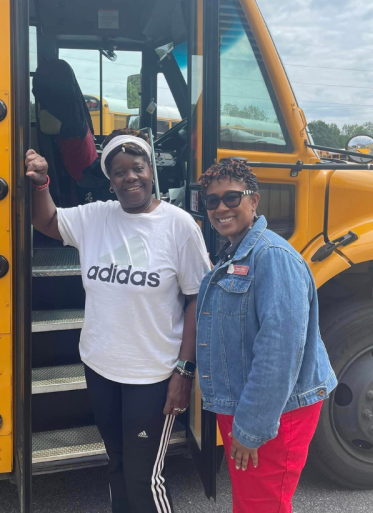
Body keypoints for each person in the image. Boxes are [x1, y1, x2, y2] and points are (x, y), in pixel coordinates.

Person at [24, 128, 211, 513]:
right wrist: (41, 182)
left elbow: (198, 299)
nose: (130, 178)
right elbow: (46, 220)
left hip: (153, 375)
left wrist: (184, 371)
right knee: (118, 466)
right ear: (110, 181)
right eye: (120, 172)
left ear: (150, 170)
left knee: (145, 479)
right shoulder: (96, 217)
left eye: (137, 168)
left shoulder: (179, 226)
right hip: (101, 368)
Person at [195, 159, 338, 513]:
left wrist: (252, 427)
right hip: (251, 405)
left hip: (272, 411)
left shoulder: (272, 257)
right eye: (212, 201)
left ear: (254, 200)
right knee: (252, 503)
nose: (221, 208)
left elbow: (280, 351)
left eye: (231, 197)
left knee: (262, 506)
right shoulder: (237, 252)